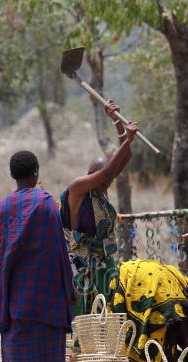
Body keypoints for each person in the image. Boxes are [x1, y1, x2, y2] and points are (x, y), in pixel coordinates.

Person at [0, 151, 74, 362]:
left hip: (14, 297)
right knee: (49, 348)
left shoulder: (1, 208)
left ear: (13, 175)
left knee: (18, 346)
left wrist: (0, 296)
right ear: (36, 173)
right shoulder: (47, 205)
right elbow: (59, 251)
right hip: (46, 295)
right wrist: (69, 286)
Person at [60, 100, 139, 316]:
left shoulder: (100, 192)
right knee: (84, 322)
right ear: (92, 176)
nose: (106, 184)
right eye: (102, 180)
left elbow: (125, 158)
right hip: (81, 267)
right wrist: (127, 140)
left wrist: (117, 122)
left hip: (104, 267)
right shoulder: (77, 188)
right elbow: (107, 173)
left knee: (110, 320)